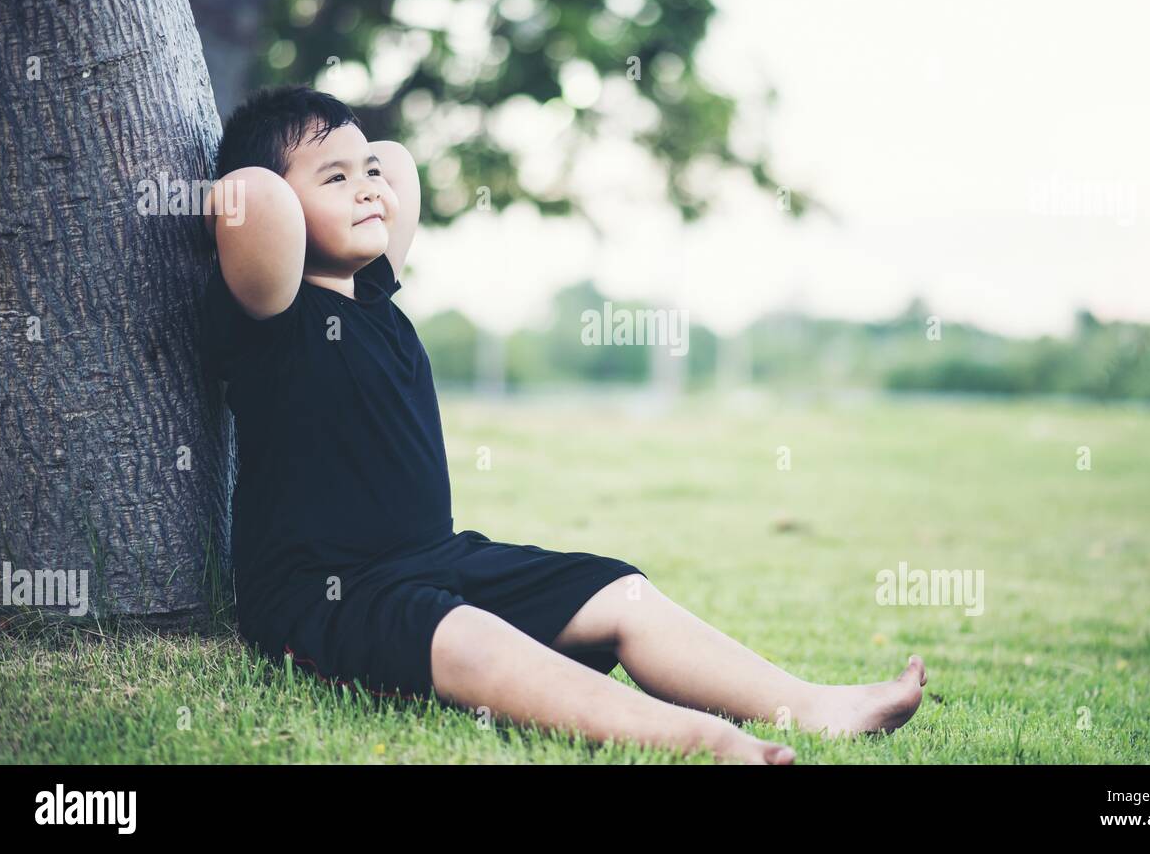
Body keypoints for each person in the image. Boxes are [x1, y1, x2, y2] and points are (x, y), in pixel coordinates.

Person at [199, 84, 927, 764]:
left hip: (442, 557)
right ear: (285, 213)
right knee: (471, 639)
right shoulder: (275, 313)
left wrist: (349, 166)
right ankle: (697, 737)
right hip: (333, 594)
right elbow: (250, 197)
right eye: (334, 179)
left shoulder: (375, 294)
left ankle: (810, 704)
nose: (368, 186)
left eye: (368, 172)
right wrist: (277, 171)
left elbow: (396, 167)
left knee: (619, 590)